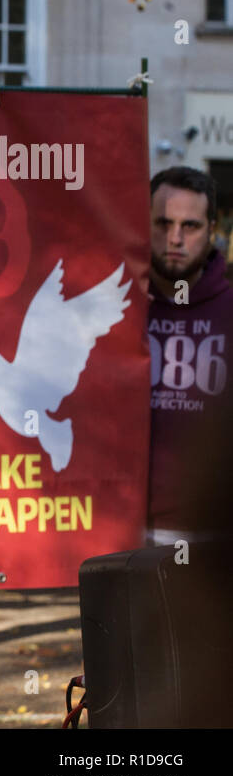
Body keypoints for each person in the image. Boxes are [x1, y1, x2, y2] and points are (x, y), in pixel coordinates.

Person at [146, 166, 232, 546]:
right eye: (163, 223)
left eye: (190, 226)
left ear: (213, 230)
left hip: (213, 539)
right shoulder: (113, 305)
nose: (174, 238)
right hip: (115, 528)